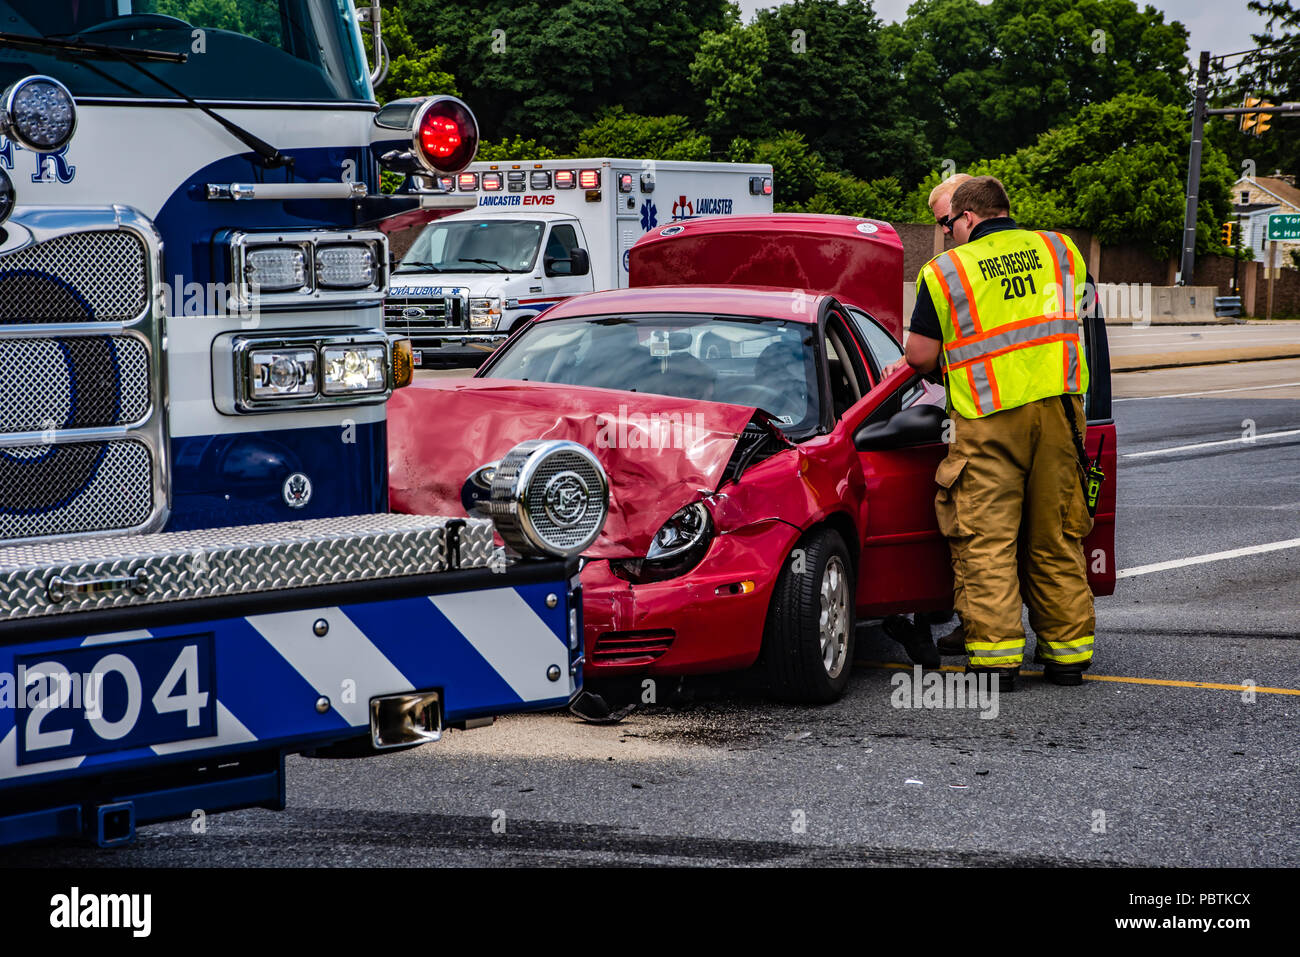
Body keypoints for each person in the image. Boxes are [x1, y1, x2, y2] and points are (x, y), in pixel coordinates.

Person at [899, 175, 1095, 691]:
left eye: (949, 224)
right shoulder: (1060, 249)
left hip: (988, 420)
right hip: (1060, 412)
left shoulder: (946, 272)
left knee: (986, 541)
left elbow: (919, 356)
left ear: (967, 217)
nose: (949, 233)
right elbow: (1080, 312)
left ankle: (997, 663)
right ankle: (1068, 657)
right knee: (1055, 535)